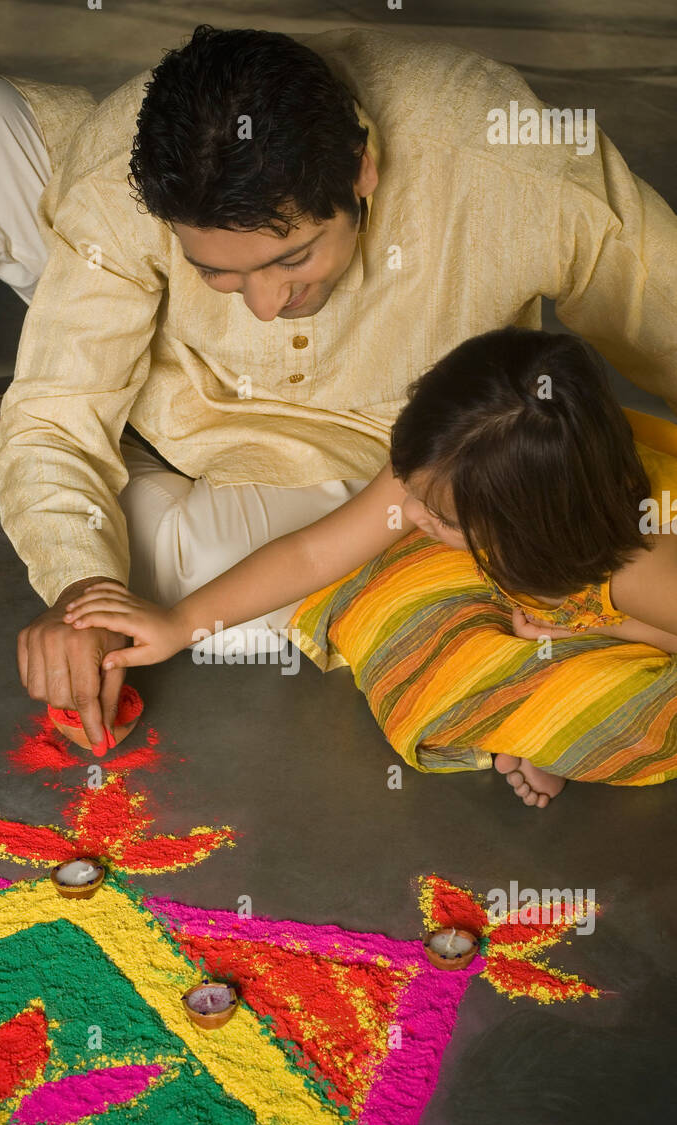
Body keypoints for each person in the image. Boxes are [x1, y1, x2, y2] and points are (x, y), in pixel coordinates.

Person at [0, 27, 677, 755]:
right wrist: (81, 590)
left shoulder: (514, 164)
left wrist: (113, 591)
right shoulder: (122, 177)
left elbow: (663, 306)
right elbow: (63, 410)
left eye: (293, 259)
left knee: (283, 600)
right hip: (169, 372)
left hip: (353, 456)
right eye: (215, 271)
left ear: (363, 172)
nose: (266, 305)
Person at [59, 327, 677, 807]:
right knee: (379, 597)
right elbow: (312, 552)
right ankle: (522, 719)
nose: (406, 509)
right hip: (535, 597)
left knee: (626, 706)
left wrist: (595, 629)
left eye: (441, 517)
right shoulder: (455, 461)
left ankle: (535, 725)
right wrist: (179, 622)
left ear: (527, 529)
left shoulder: (641, 564)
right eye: (408, 485)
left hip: (629, 623)